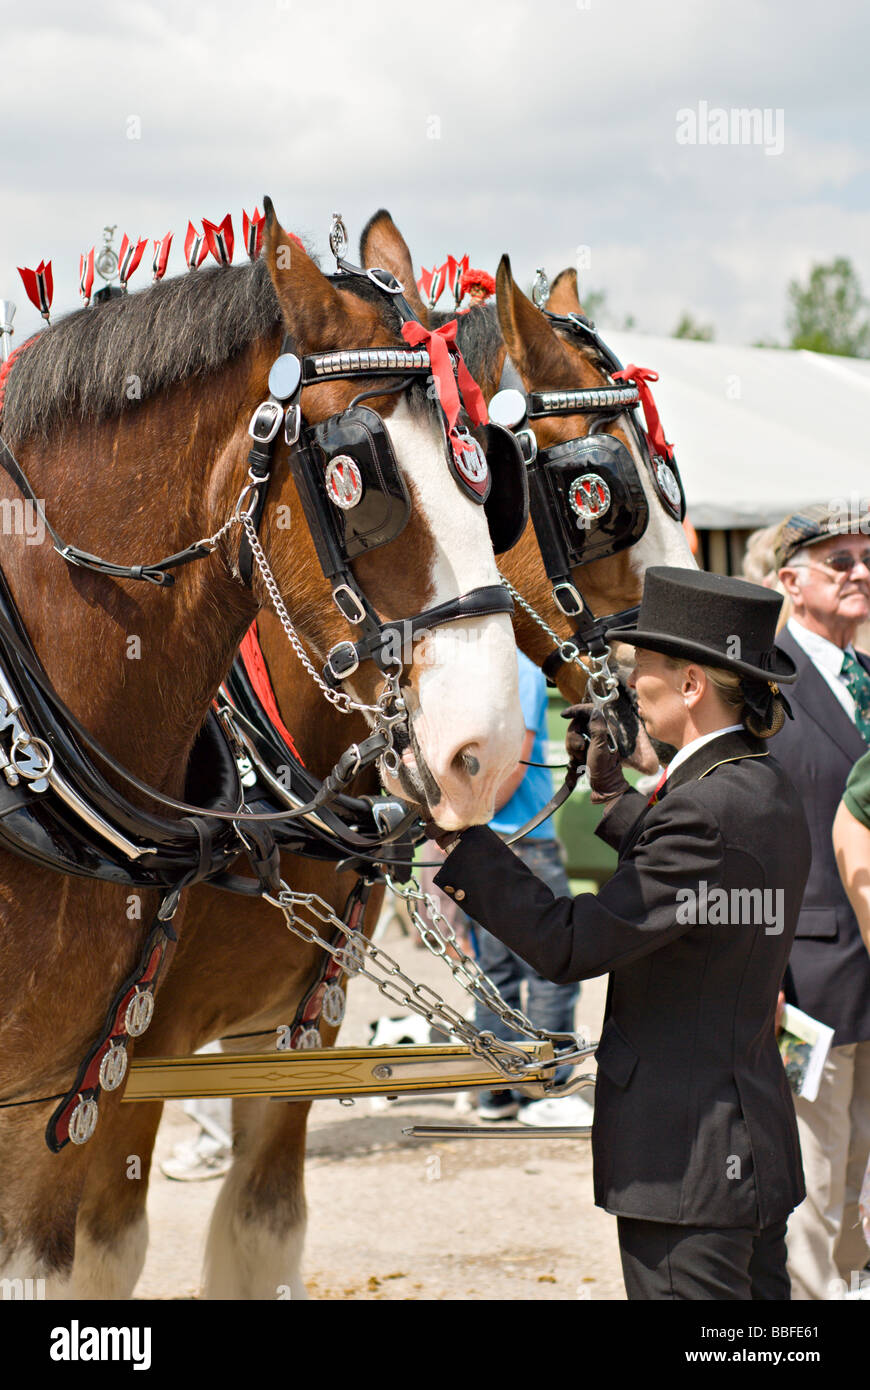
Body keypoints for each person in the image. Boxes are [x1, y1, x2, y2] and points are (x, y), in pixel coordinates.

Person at [430, 567, 809, 1300]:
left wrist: (458, 831)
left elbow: (569, 944)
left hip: (686, 1165)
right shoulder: (762, 787)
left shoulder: (703, 812)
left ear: (692, 683)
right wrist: (615, 794)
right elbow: (702, 887)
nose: (630, 686)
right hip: (746, 1151)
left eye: (644, 669)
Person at [773, 507, 870, 1299]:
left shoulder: (867, 677)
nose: (860, 572)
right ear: (789, 580)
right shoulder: (762, 681)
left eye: (868, 559)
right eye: (838, 560)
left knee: (859, 1173)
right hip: (804, 976)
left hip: (866, 968)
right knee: (811, 1170)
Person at [463, 649, 588, 1127]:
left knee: (495, 972)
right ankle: (546, 1092)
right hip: (526, 840)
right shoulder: (521, 667)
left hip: (484, 840)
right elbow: (516, 761)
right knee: (553, 965)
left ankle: (497, 1092)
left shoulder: (472, 664)